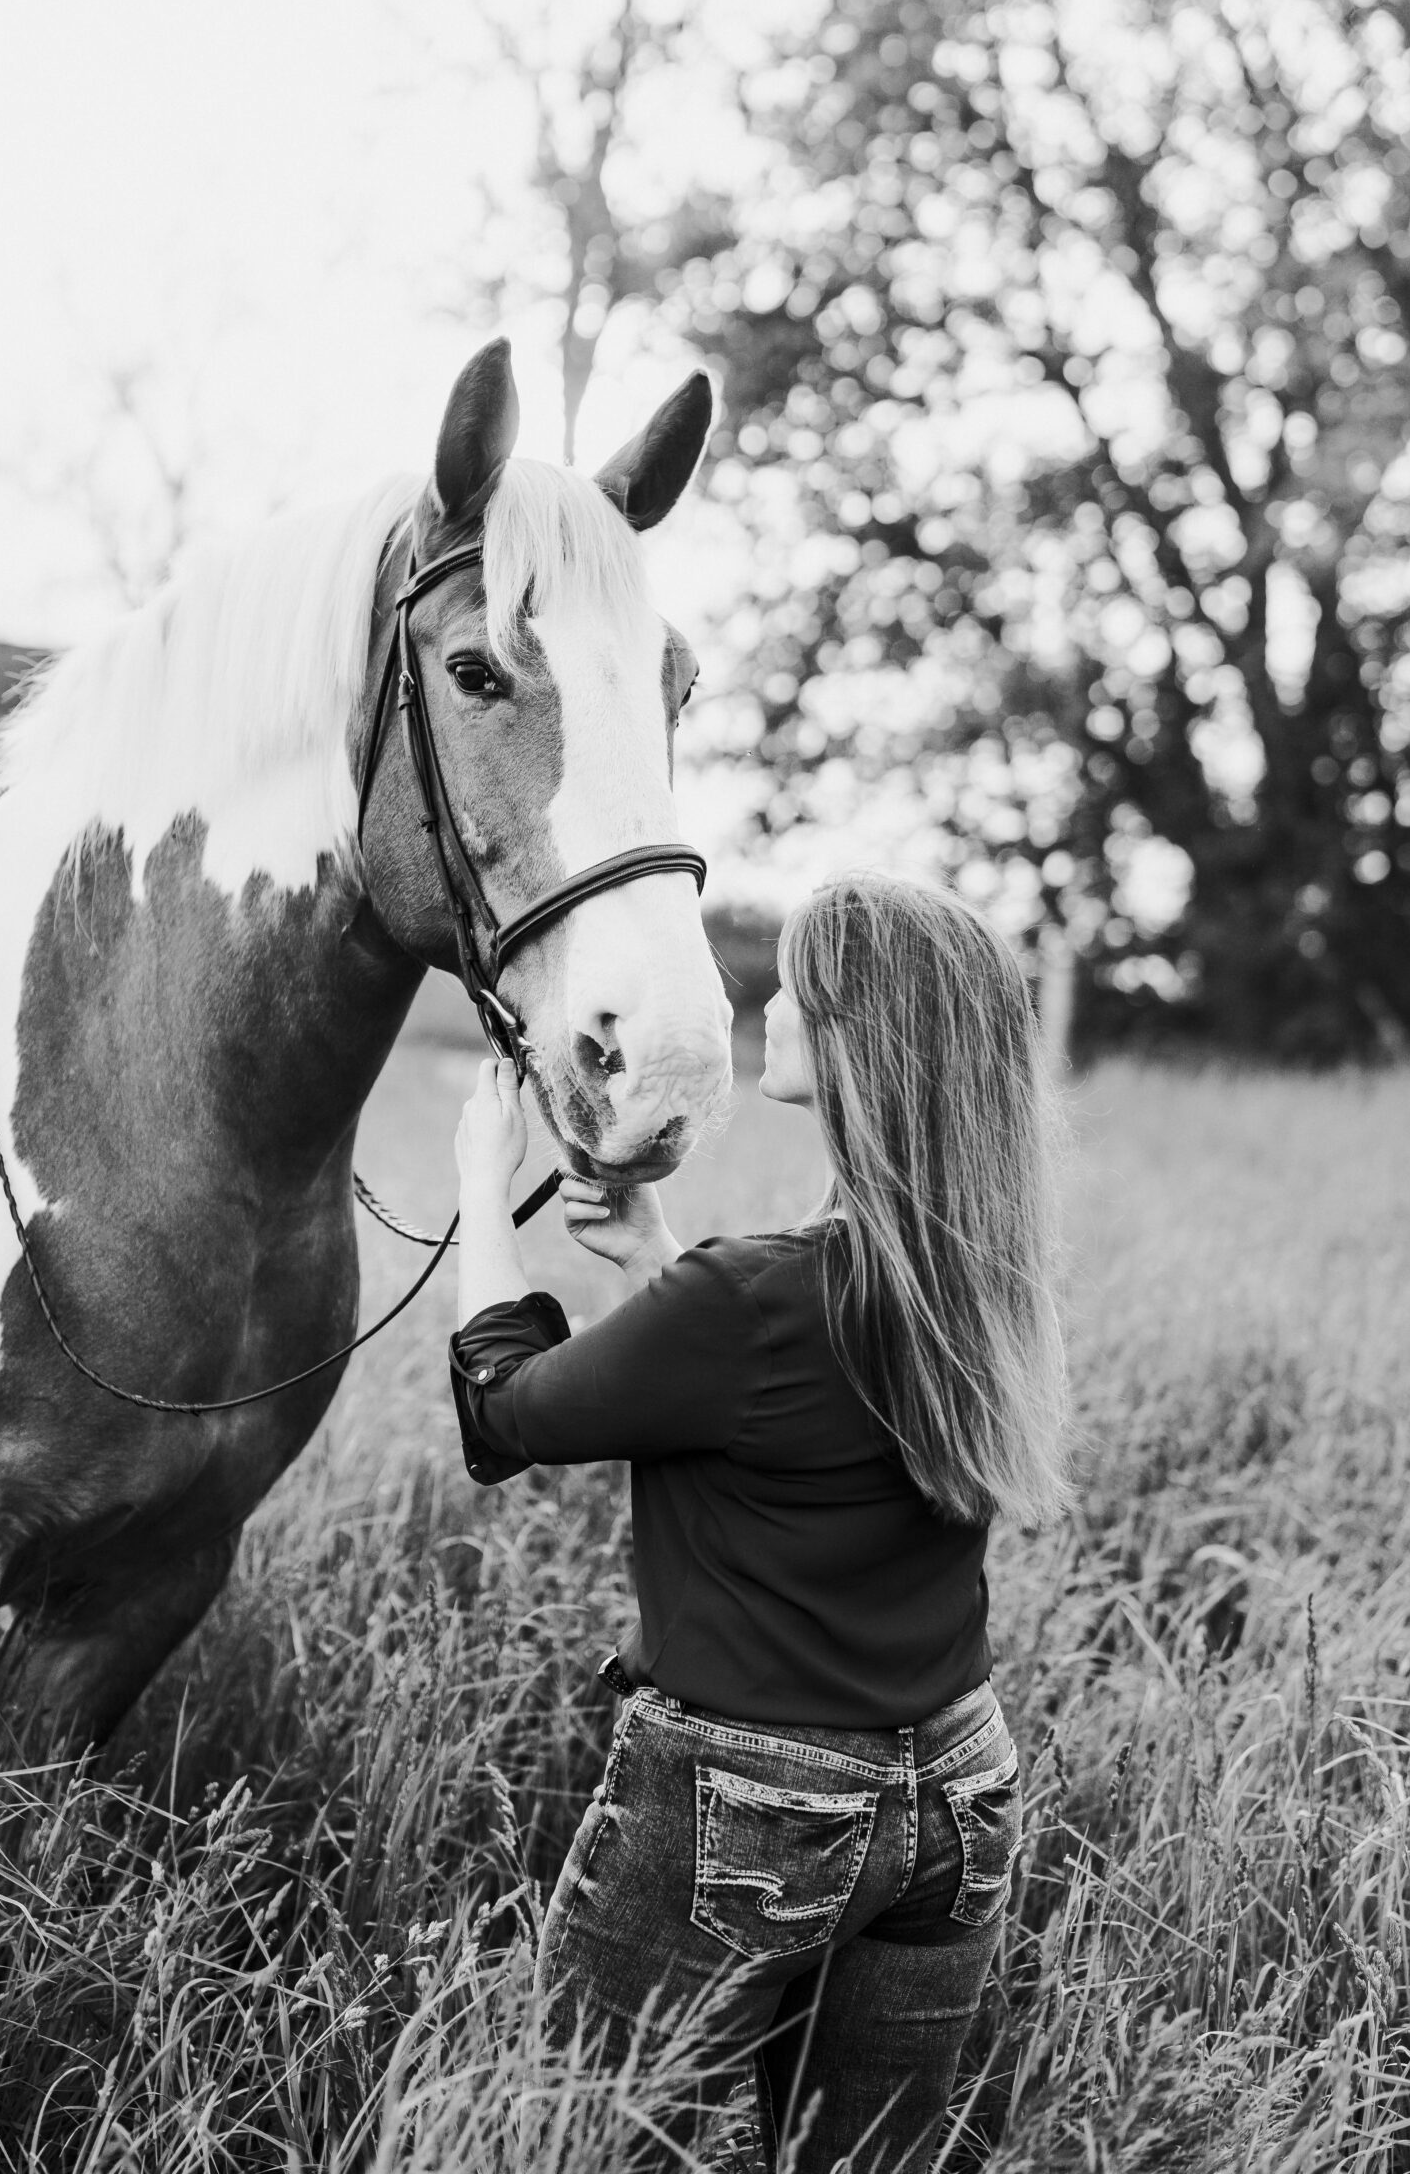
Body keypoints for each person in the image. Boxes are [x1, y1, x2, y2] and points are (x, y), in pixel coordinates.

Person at [448, 872, 1070, 2174]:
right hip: (959, 1788)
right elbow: (792, 1389)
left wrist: (481, 1201)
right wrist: (653, 1260)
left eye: (793, 984)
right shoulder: (976, 1276)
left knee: (572, 2142)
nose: (764, 1003)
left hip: (751, 1799)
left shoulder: (752, 1300)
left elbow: (504, 1414)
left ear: (853, 1040)